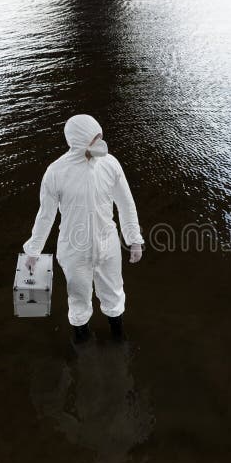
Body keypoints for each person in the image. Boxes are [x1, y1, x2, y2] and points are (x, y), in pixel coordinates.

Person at [23, 114, 144, 343]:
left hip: (108, 244)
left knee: (114, 293)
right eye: (94, 138)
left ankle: (118, 337)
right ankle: (83, 341)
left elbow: (126, 203)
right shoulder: (56, 172)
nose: (100, 143)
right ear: (79, 140)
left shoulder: (110, 164)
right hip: (74, 249)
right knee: (78, 299)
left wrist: (134, 239)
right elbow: (45, 216)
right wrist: (33, 251)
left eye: (100, 136)